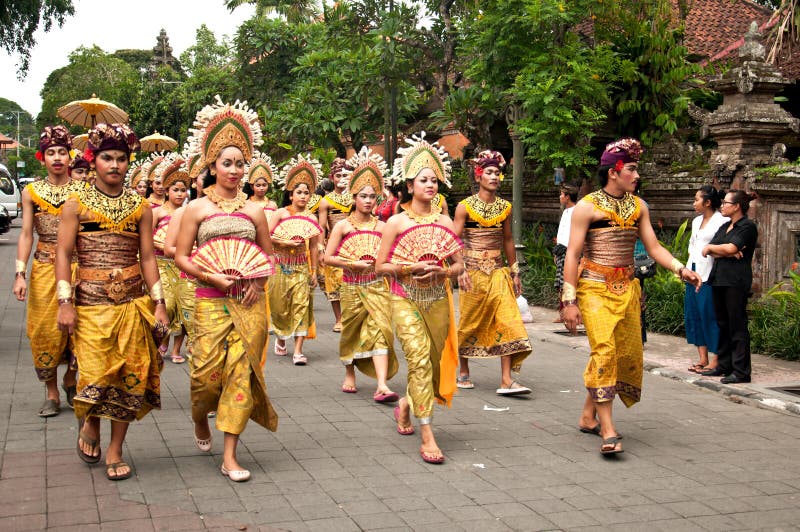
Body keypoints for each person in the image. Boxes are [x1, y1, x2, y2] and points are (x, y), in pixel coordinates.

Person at [562, 138, 701, 456]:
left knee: (623, 355)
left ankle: (588, 416)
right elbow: (572, 253)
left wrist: (680, 269)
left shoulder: (639, 207)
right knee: (604, 351)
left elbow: (653, 247)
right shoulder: (587, 207)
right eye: (633, 169)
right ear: (614, 171)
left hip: (627, 289)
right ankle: (607, 428)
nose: (637, 175)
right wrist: (569, 301)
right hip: (594, 287)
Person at [56, 123, 167, 480]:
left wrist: (159, 303)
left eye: (121, 158)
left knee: (130, 376)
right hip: (90, 302)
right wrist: (64, 302)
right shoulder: (75, 205)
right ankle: (90, 420)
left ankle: (116, 449)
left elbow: (147, 257)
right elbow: (63, 254)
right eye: (107, 158)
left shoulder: (140, 207)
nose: (115, 165)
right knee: (94, 373)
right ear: (93, 160)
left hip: (133, 302)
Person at [175, 97, 278, 482]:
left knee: (241, 376)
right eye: (227, 163)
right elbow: (181, 257)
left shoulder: (254, 211)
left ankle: (230, 455)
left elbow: (267, 257)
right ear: (212, 165)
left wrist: (257, 282)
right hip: (209, 301)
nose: (234, 170)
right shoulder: (197, 209)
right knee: (205, 378)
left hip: (249, 305)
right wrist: (211, 277)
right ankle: (200, 416)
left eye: (240, 164)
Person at [375, 132, 464, 464]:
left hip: (438, 299)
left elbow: (459, 265)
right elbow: (380, 266)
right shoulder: (395, 223)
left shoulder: (445, 221)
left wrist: (443, 272)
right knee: (419, 359)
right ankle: (427, 434)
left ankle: (405, 405)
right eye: (424, 180)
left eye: (434, 180)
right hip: (404, 298)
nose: (430, 185)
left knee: (432, 361)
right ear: (410, 186)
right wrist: (407, 267)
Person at [13, 125, 85, 417]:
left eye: (62, 152)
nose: (57, 158)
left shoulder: (84, 191)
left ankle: (71, 377)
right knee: (45, 330)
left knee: (81, 327)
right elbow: (26, 234)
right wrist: (20, 273)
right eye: (51, 152)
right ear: (42, 158)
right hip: (44, 268)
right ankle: (52, 392)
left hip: (79, 267)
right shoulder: (31, 192)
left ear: (70, 157)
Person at [453, 150, 532, 395]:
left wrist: (515, 271)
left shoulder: (505, 207)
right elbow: (454, 239)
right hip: (472, 272)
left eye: (497, 173)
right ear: (479, 176)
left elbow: (507, 239)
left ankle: (506, 379)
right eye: (489, 172)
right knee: (470, 322)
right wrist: (460, 268)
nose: (495, 177)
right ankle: (464, 368)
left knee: (507, 319)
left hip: (498, 272)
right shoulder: (464, 207)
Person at [324, 147, 399, 401]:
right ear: (354, 197)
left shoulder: (384, 227)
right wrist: (350, 264)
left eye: (372, 197)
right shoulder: (343, 226)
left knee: (380, 330)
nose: (368, 201)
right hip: (351, 285)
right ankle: (350, 373)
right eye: (363, 196)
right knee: (351, 331)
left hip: (377, 286)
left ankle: (382, 384)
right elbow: (328, 258)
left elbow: (392, 257)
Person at [700, 190, 758, 384]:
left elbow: (729, 247)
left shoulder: (747, 226)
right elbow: (709, 250)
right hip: (718, 278)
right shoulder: (725, 226)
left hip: (735, 281)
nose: (722, 205)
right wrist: (724, 251)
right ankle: (724, 365)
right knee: (722, 323)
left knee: (737, 325)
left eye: (726, 203)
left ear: (737, 206)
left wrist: (723, 249)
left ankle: (741, 371)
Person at [269, 154, 321, 365]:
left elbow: (314, 246)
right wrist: (284, 242)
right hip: (280, 266)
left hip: (301, 267)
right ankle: (281, 337)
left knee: (301, 305)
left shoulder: (311, 218)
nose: (303, 196)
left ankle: (298, 350)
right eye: (299, 192)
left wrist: (314, 270)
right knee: (280, 308)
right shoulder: (281, 213)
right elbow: (267, 237)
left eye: (306, 193)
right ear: (291, 195)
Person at [685, 186, 728, 373]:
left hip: (709, 274)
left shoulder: (722, 221)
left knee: (709, 314)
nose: (694, 203)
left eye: (697, 200)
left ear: (708, 202)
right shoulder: (696, 221)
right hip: (692, 272)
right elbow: (692, 245)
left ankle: (716, 358)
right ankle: (702, 357)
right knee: (693, 314)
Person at [152, 153, 190, 364]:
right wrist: (162, 245)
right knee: (167, 305)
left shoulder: (189, 212)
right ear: (167, 191)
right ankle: (163, 339)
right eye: (176, 190)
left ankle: (177, 349)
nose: (180, 194)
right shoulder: (157, 212)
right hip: (162, 265)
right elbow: (147, 239)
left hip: (183, 265)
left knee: (185, 306)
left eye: (183, 190)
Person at [317, 158, 351, 332]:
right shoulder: (326, 201)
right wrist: (320, 249)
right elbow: (322, 226)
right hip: (333, 244)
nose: (341, 179)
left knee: (351, 281)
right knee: (334, 282)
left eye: (345, 175)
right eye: (338, 175)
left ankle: (351, 316)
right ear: (332, 178)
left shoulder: (356, 198)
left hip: (353, 243)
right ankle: (339, 318)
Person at [553, 183, 579, 322]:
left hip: (570, 251)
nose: (560, 197)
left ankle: (573, 312)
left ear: (568, 197)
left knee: (570, 282)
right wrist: (557, 252)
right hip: (561, 250)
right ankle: (563, 312)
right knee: (560, 283)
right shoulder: (566, 212)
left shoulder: (577, 211)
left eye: (562, 194)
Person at [243, 150, 278, 217]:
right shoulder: (246, 204)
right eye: (258, 185)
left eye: (264, 185)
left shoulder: (273, 205)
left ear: (268, 185)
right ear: (252, 187)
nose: (261, 188)